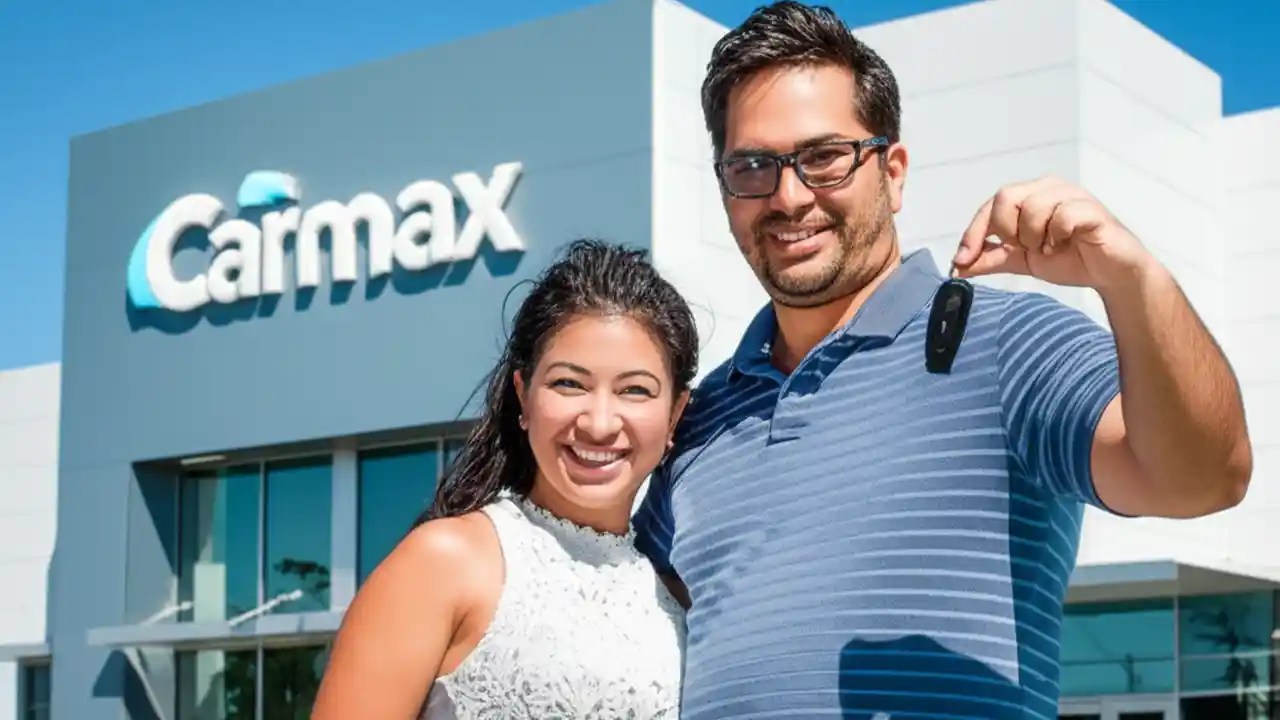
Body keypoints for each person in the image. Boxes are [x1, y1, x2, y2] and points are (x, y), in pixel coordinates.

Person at [632, 2, 1254, 718]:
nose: (789, 196)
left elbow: (1205, 478)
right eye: (753, 166)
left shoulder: (1007, 346)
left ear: (892, 173)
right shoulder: (701, 416)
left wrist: (1133, 281)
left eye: (825, 157)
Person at [312, 239, 697, 719]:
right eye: (569, 384)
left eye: (634, 390)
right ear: (523, 395)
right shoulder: (445, 561)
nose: (599, 422)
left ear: (675, 414)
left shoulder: (679, 597)